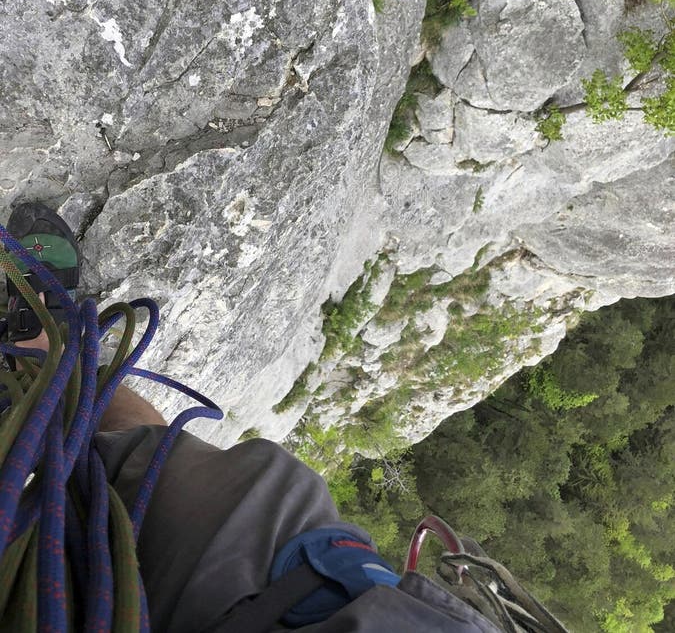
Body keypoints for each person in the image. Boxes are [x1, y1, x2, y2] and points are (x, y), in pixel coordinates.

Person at [0, 203, 549, 632]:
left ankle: (37, 372)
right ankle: (51, 365)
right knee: (195, 470)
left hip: (303, 600)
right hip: (333, 592)